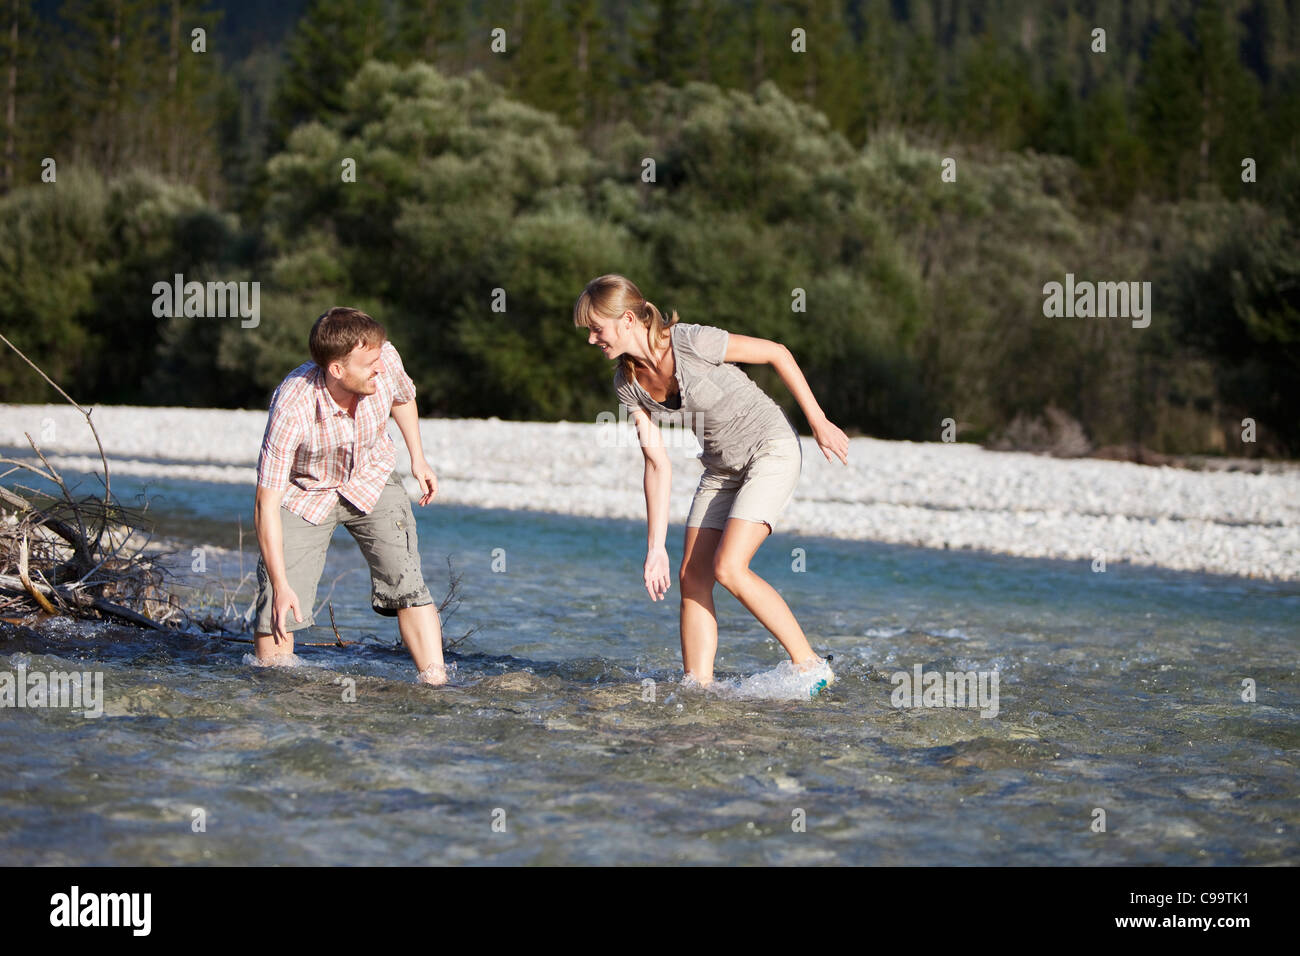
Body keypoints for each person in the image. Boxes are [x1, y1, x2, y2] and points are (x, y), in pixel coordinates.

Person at [573, 275, 849, 690]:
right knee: (692, 576)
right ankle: (698, 688)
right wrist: (654, 549)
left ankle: (810, 664)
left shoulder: (691, 341)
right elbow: (656, 464)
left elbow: (776, 353)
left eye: (596, 328)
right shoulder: (627, 384)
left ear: (627, 319)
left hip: (770, 448)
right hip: (721, 469)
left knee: (729, 567)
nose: (592, 339)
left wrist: (818, 420)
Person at [252, 307, 448, 685]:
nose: (379, 367)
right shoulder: (293, 406)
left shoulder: (384, 357)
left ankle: (436, 685)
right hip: (306, 493)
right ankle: (275, 695)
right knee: (279, 601)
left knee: (408, 584)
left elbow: (402, 398)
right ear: (337, 369)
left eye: (378, 357)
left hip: (370, 477)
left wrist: (418, 460)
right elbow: (266, 505)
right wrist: (279, 585)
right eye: (369, 363)